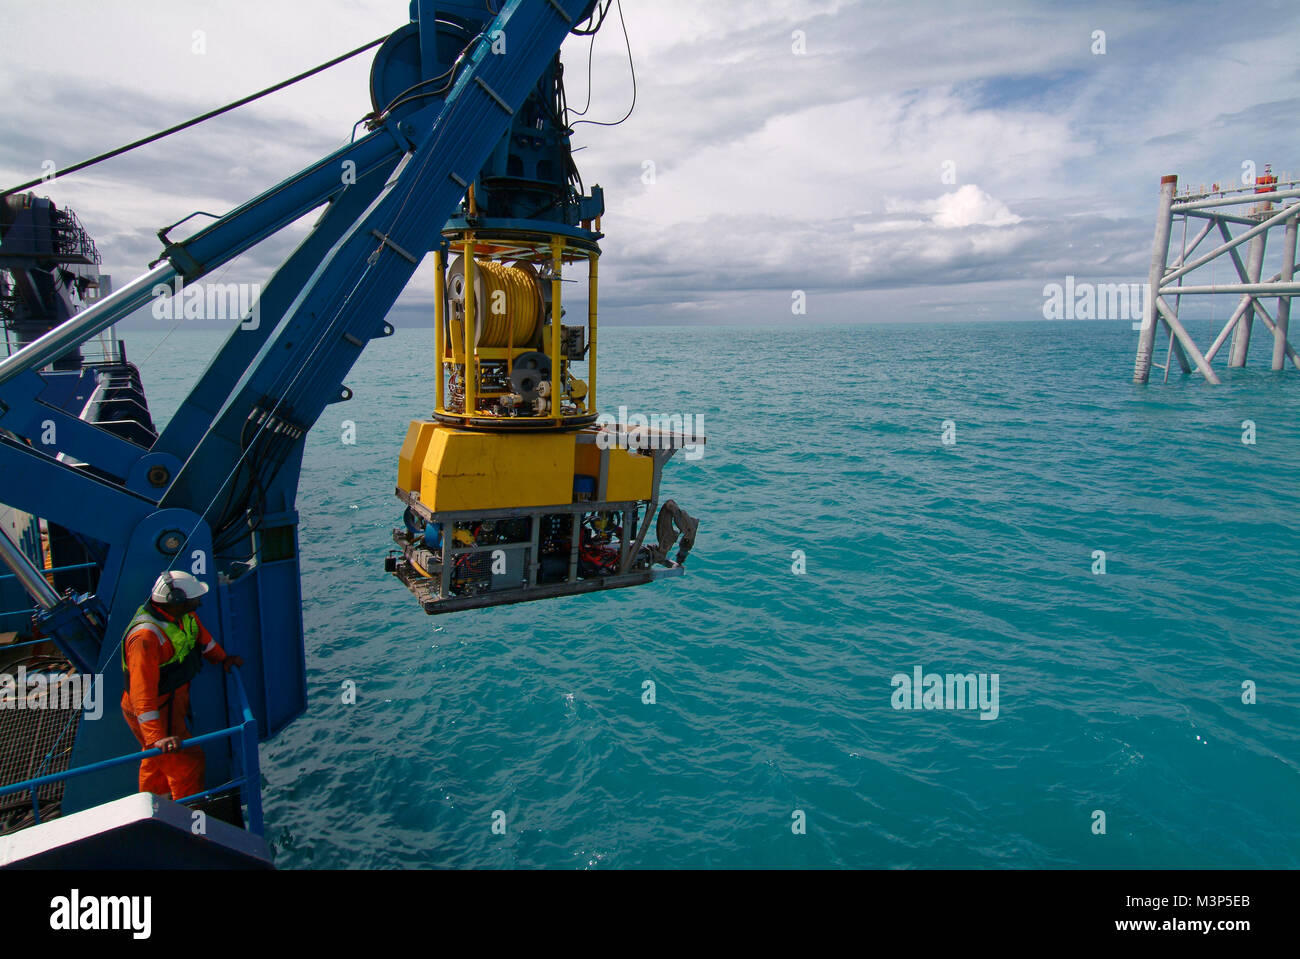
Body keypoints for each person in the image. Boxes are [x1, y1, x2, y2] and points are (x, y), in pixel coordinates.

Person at [119, 570, 242, 801]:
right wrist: (157, 737)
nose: (200, 601)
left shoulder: (184, 618)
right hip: (156, 711)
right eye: (195, 598)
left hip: (171, 704)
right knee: (188, 763)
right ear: (176, 601)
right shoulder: (146, 637)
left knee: (155, 761)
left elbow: (204, 641)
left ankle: (153, 808)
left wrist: (223, 659)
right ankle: (189, 818)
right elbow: (142, 693)